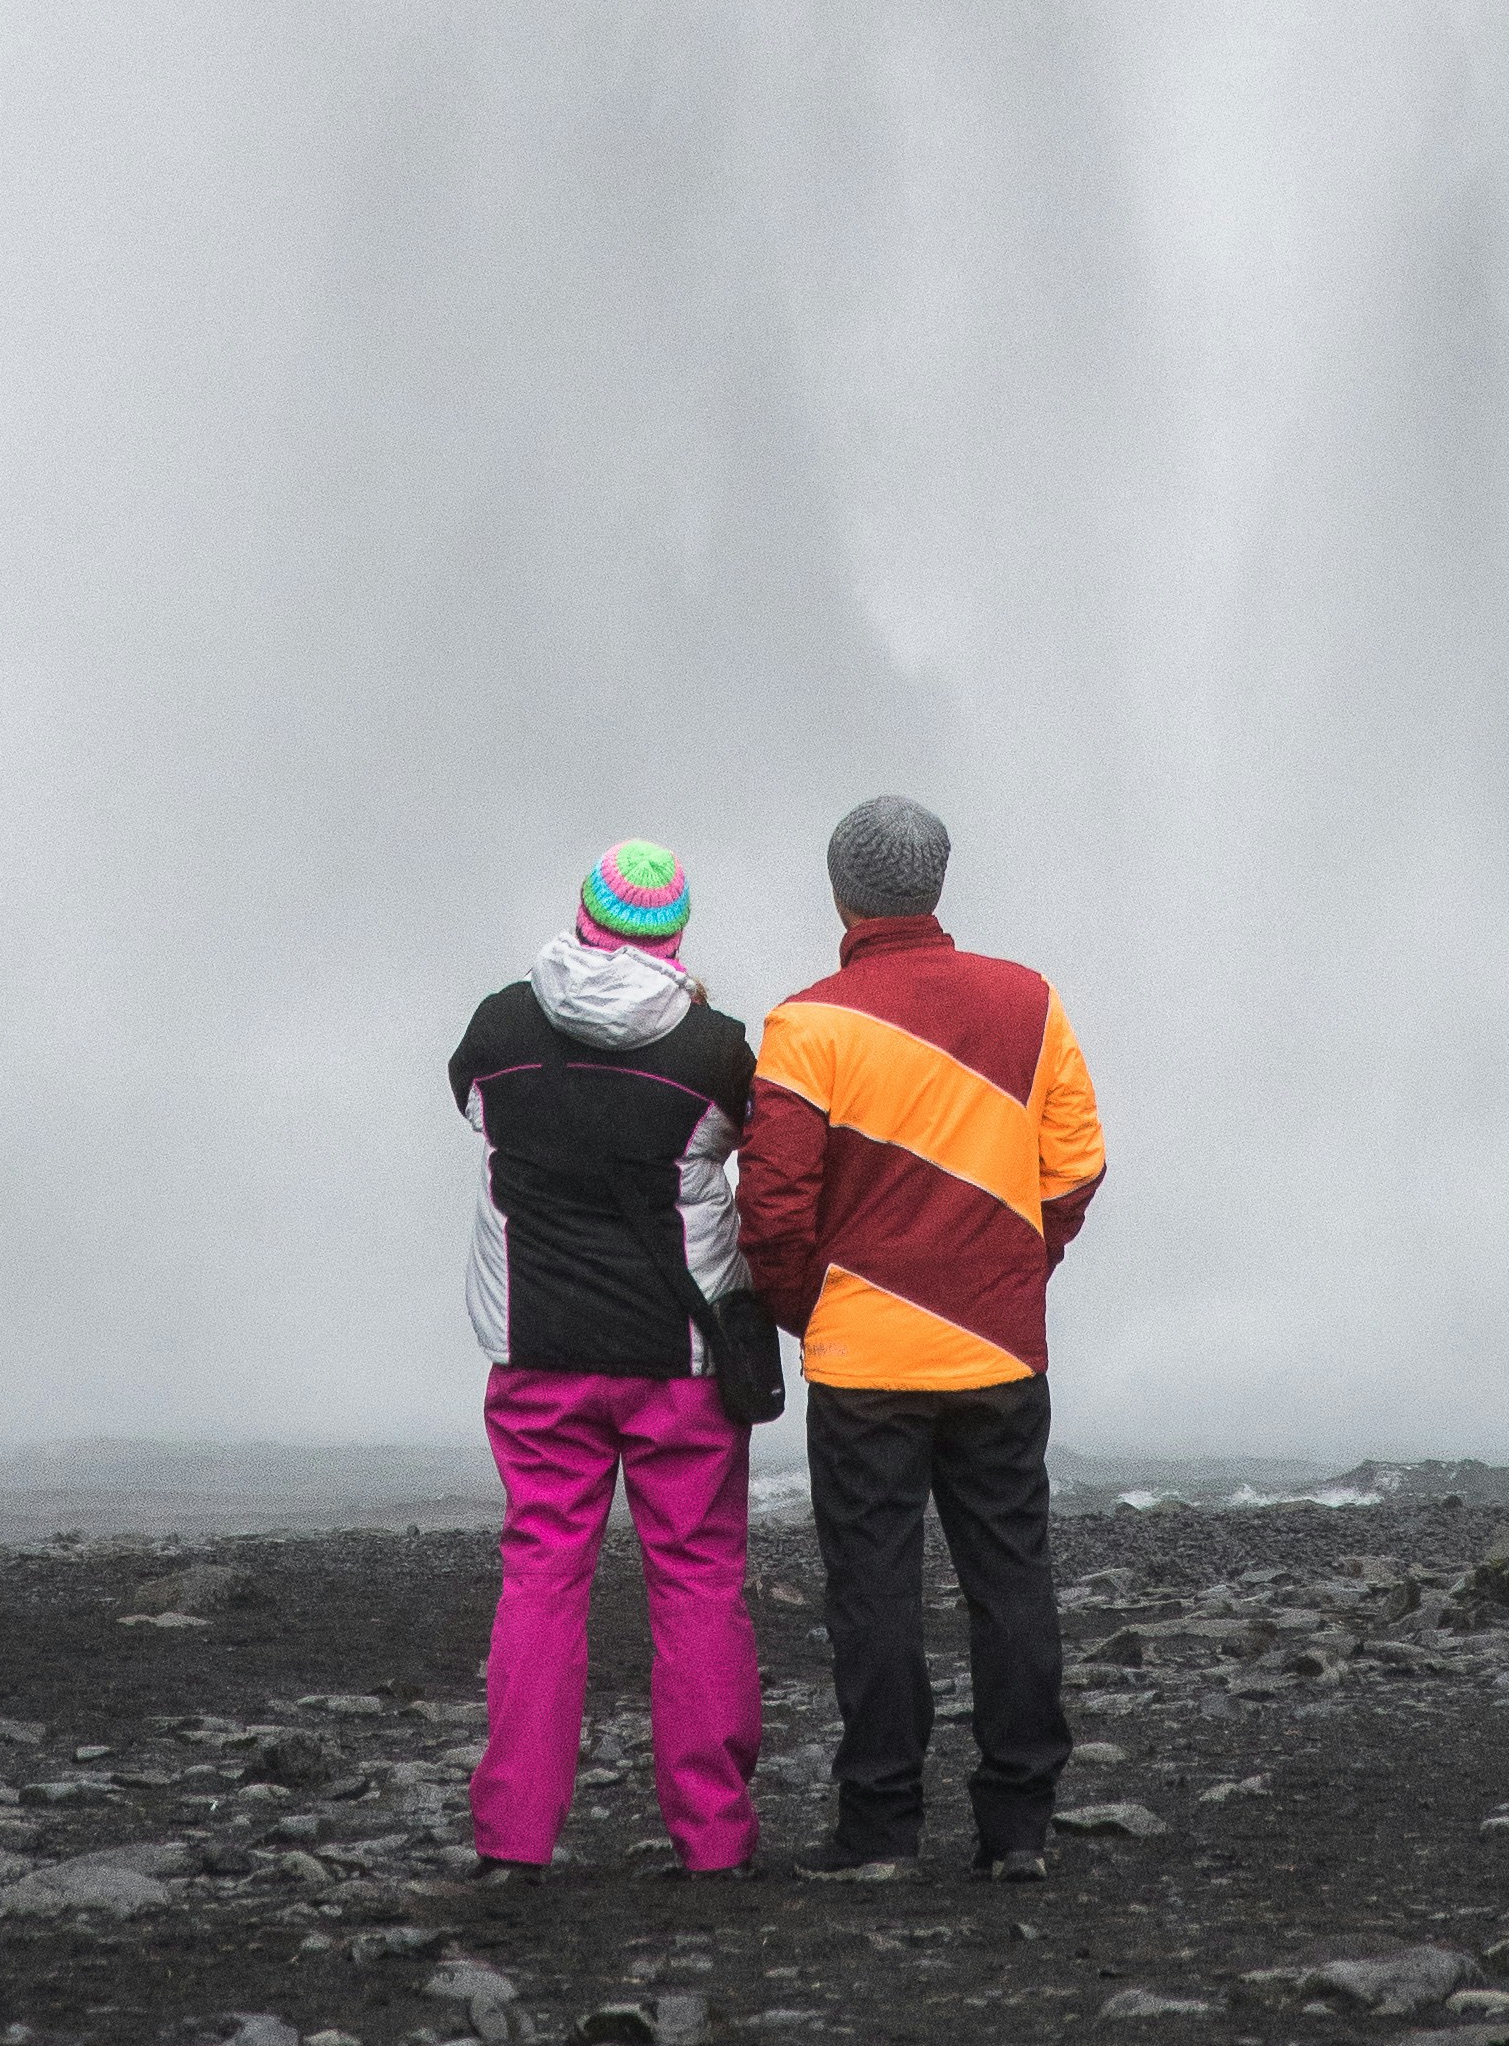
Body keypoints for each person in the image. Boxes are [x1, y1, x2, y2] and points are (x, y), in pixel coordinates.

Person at [734, 792, 1105, 1878]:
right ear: (935, 883)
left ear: (841, 891)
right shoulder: (1028, 1000)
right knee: (1010, 1580)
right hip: (998, 1347)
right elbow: (1074, 1166)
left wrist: (807, 1307)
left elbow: (774, 1206)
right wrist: (1012, 1269)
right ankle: (1018, 1828)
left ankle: (880, 1828)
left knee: (876, 1594)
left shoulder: (808, 1026)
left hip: (864, 1361)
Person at [448, 837, 763, 1877]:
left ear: (584, 919)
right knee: (696, 1580)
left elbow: (474, 1108)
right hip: (678, 1358)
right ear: (673, 935)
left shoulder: (499, 1028)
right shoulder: (714, 1052)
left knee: (541, 1576)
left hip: (537, 1351)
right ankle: (713, 1840)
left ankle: (512, 1840)